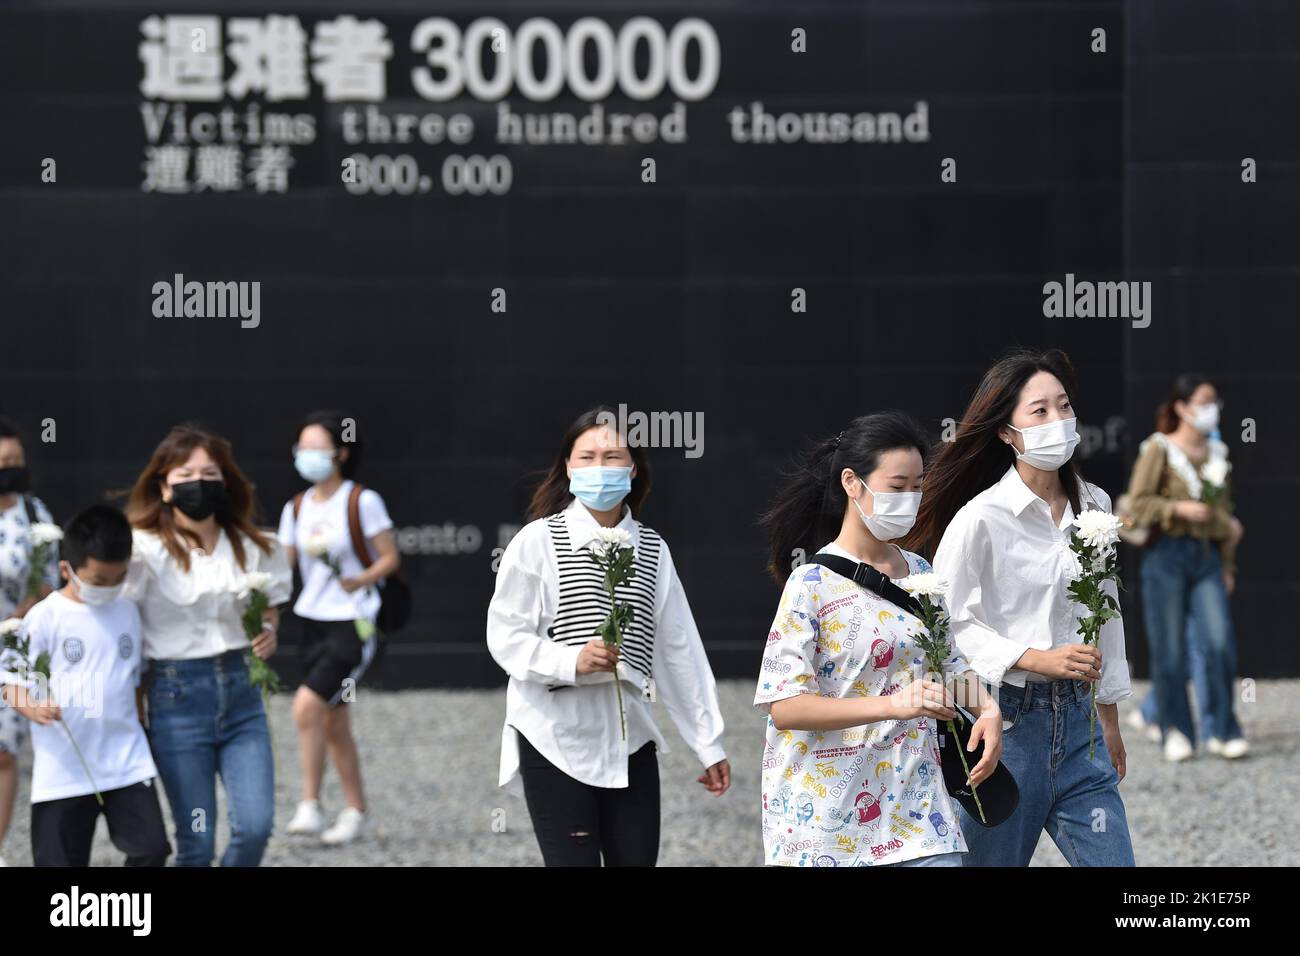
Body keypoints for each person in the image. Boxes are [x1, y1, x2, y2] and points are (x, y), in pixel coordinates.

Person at [905, 348, 1136, 866]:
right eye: (1040, 411)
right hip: (1008, 734)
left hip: (1081, 731)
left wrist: (1110, 717)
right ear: (1007, 433)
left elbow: (1108, 612)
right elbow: (947, 626)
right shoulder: (980, 519)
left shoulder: (1095, 505)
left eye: (1065, 406)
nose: (1059, 420)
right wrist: (1033, 657)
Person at [486, 406, 730, 866]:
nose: (600, 467)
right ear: (568, 468)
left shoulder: (653, 548)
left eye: (613, 456)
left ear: (633, 469)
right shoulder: (537, 541)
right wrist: (569, 661)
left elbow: (677, 650)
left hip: (630, 737)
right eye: (587, 457)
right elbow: (505, 635)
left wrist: (707, 742)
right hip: (552, 734)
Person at [756, 411, 1002, 867]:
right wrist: (893, 704)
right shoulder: (810, 583)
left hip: (921, 816)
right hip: (826, 828)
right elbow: (786, 707)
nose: (910, 498)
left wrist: (987, 708)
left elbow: (950, 665)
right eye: (897, 485)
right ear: (852, 483)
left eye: (917, 485)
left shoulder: (922, 573)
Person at [122, 423, 292, 866]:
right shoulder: (143, 551)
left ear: (226, 480)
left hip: (243, 695)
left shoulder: (255, 545)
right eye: (185, 475)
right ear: (163, 487)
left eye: (210, 474)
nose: (199, 483)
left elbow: (270, 605)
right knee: (196, 838)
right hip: (177, 698)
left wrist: (269, 631)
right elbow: (122, 623)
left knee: (255, 826)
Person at [1, 505, 170, 866]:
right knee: (59, 861)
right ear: (68, 570)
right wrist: (32, 706)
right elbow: (10, 678)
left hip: (127, 761)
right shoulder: (45, 617)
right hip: (64, 767)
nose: (109, 589)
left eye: (118, 578)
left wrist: (140, 721)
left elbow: (135, 676)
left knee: (152, 849)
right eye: (98, 581)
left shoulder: (127, 611)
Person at [278, 411, 399, 845]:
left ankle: (309, 803)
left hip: (354, 622)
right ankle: (355, 810)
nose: (308, 456)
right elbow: (284, 564)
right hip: (312, 621)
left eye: (317, 448)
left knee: (306, 708)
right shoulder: (296, 506)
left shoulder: (361, 500)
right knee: (333, 723)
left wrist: (362, 579)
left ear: (341, 452)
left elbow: (389, 556)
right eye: (302, 448)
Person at [1121, 374, 1246, 761]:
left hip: (1206, 556)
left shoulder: (1217, 453)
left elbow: (1224, 515)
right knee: (1170, 649)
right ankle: (1174, 728)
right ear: (1182, 407)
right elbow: (1137, 504)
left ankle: (1223, 729)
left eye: (1215, 402)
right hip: (1167, 556)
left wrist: (1227, 565)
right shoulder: (1159, 449)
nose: (1211, 410)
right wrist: (1176, 508)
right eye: (1204, 401)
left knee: (1219, 641)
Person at [0, 415, 60, 865]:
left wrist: (28, 610)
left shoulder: (36, 514)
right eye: (3, 461)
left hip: (10, 645)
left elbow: (49, 586)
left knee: (3, 751)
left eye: (16, 460)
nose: (11, 468)